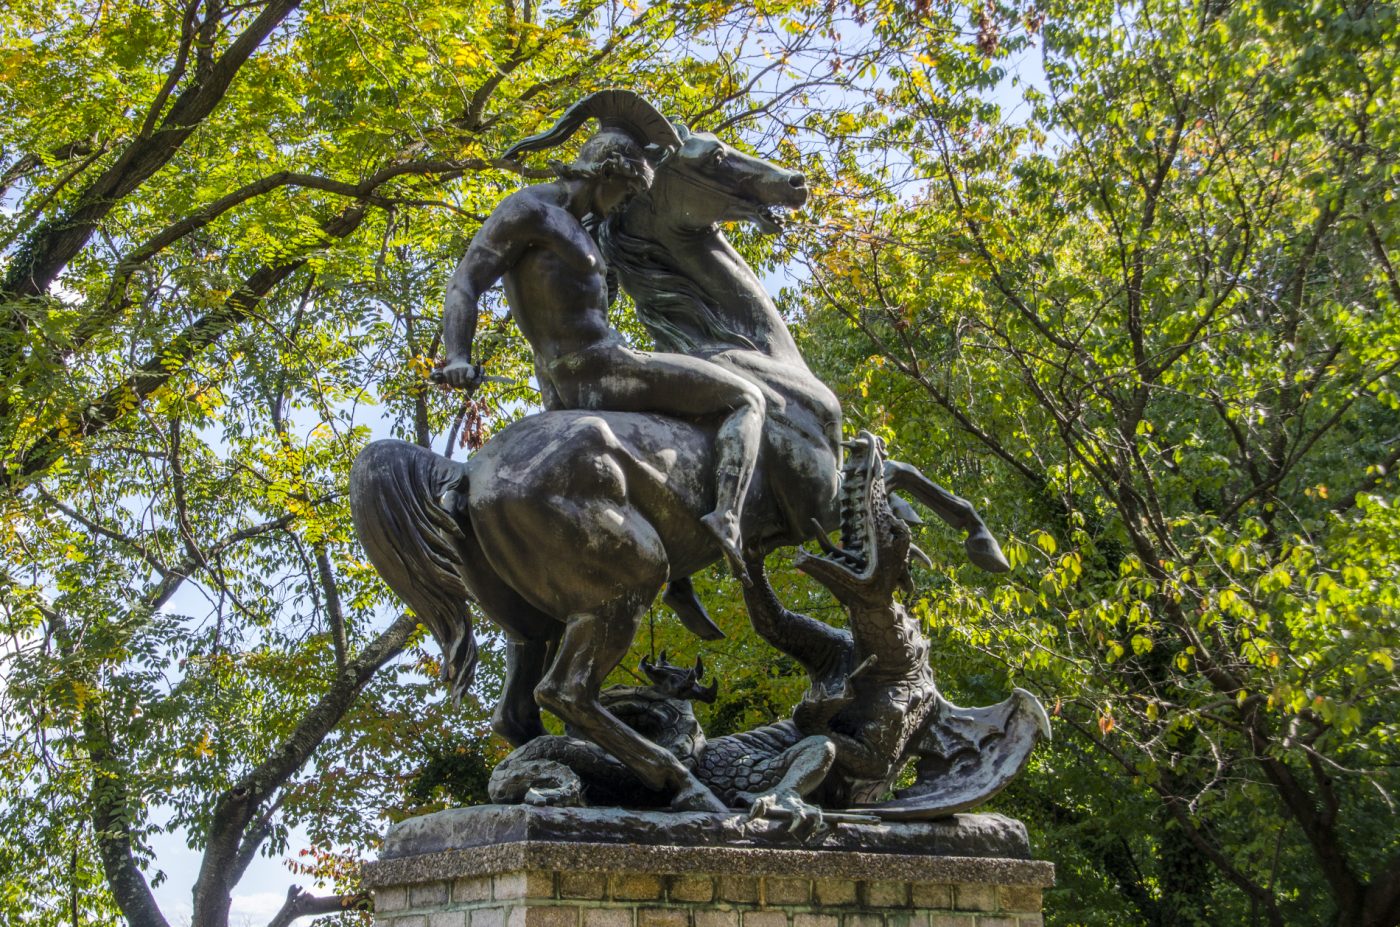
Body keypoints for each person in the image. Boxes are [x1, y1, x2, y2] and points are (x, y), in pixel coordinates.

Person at [434, 127, 763, 584]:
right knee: (746, 397)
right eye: (628, 190)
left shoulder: (584, 228)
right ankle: (725, 518)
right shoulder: (531, 210)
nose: (627, 201)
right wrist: (456, 354)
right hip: (597, 369)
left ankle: (674, 567)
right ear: (606, 172)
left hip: (570, 379)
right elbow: (465, 281)